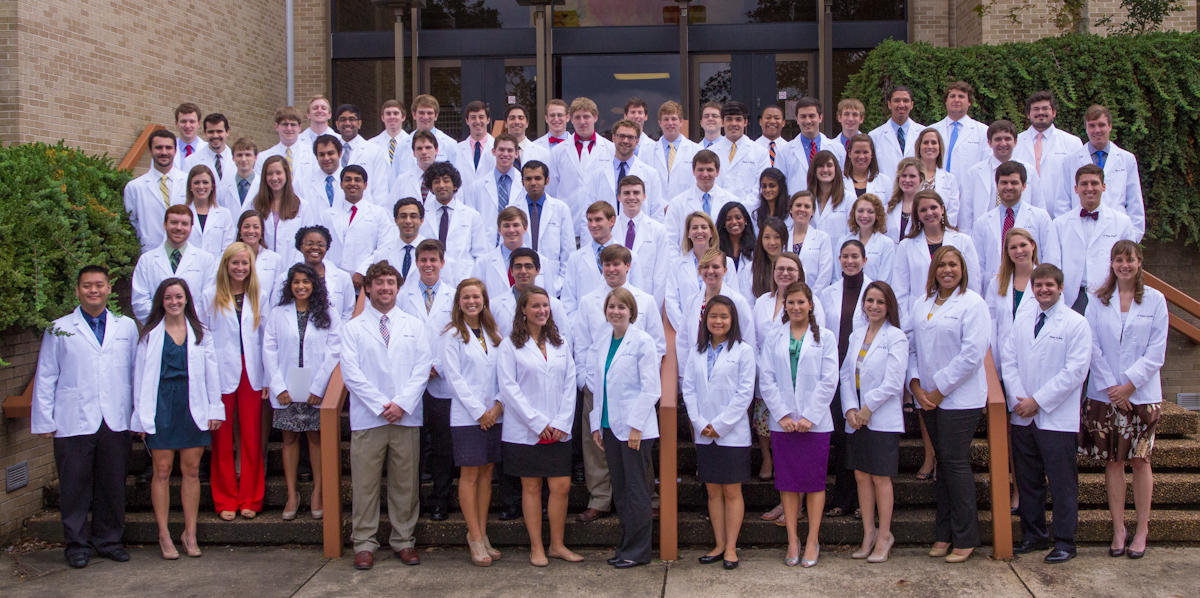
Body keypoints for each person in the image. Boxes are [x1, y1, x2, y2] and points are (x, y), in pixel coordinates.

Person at [33, 266, 138, 568]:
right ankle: (76, 545)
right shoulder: (59, 328)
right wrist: (44, 420)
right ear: (77, 290)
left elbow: (136, 372)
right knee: (74, 487)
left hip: (115, 418)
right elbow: (46, 375)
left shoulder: (126, 327)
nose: (94, 290)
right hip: (73, 418)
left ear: (109, 289)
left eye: (99, 285)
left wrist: (139, 416)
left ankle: (109, 541)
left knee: (112, 485)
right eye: (87, 285)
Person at [340, 261, 434, 571]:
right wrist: (382, 405)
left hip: (405, 417)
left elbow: (422, 368)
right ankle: (364, 543)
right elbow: (351, 373)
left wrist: (402, 404)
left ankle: (404, 540)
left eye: (390, 282)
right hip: (370, 418)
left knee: (405, 484)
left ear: (398, 287)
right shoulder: (353, 328)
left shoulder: (414, 325)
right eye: (379, 282)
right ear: (367, 288)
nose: (385, 288)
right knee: (365, 484)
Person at [1081, 240, 1168, 560]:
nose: (1124, 265)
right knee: (1113, 461)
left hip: (1142, 394)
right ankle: (1119, 528)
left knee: (1141, 460)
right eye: (1118, 260)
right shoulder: (1097, 300)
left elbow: (1156, 350)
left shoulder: (1156, 299)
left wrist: (1129, 386)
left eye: (1130, 260)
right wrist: (1113, 387)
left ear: (1140, 262)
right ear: (1112, 264)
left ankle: (1142, 529)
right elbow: (1091, 346)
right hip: (1106, 395)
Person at [1002, 263, 1091, 564]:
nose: (1043, 290)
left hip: (1056, 417)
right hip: (1023, 414)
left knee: (1062, 483)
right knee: (1028, 480)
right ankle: (1034, 535)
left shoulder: (1076, 323)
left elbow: (1075, 372)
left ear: (1061, 288)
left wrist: (1037, 401)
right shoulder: (1023, 319)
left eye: (1049, 285)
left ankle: (1065, 541)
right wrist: (1019, 399)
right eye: (1038, 285)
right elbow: (1009, 360)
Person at [908, 246, 990, 564]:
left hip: (959, 399)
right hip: (928, 397)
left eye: (953, 264)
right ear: (934, 270)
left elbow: (972, 354)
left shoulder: (973, 303)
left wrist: (940, 389)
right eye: (942, 264)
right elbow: (912, 347)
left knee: (955, 463)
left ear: (962, 269)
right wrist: (915, 384)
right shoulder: (922, 303)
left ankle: (966, 537)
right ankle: (943, 534)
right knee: (943, 464)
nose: (947, 270)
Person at [572, 246, 666, 524]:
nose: (611, 269)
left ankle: (647, 499)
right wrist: (586, 381)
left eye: (617, 264)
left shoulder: (645, 300)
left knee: (636, 449)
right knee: (596, 447)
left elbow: (658, 344)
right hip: (597, 386)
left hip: (633, 389)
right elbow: (582, 345)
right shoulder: (588, 301)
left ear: (628, 266)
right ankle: (600, 498)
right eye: (606, 264)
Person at [131, 278, 222, 560]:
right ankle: (164, 534)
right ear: (161, 301)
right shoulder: (149, 335)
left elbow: (212, 372)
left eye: (179, 297)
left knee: (192, 469)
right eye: (168, 297)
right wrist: (140, 417)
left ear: (186, 300)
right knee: (162, 470)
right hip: (161, 404)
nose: (174, 302)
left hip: (192, 404)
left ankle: (190, 532)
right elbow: (139, 377)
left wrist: (215, 408)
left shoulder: (200, 332)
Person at [497, 287, 585, 567]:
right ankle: (536, 547)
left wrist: (561, 421)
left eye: (545, 305)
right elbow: (508, 388)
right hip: (526, 431)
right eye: (535, 306)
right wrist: (536, 422)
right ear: (523, 310)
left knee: (561, 486)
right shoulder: (510, 345)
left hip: (558, 429)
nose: (542, 310)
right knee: (532, 487)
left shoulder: (560, 343)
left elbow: (570, 383)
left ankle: (557, 545)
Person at [759, 280, 839, 567]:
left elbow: (829, 379)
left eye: (801, 302)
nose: (795, 307)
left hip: (814, 425)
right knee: (788, 483)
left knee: (814, 483)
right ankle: (793, 539)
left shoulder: (825, 337)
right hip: (784, 425)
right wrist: (782, 414)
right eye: (790, 302)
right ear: (785, 305)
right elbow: (766, 378)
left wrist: (810, 416)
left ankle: (813, 540)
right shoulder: (773, 337)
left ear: (811, 305)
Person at [588, 287, 661, 569]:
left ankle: (638, 552)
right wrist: (596, 424)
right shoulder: (603, 340)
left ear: (632, 312)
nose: (615, 311)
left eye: (621, 307)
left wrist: (636, 426)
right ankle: (625, 547)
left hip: (634, 430)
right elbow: (599, 387)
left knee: (637, 491)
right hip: (609, 426)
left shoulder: (643, 341)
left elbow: (651, 389)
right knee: (620, 491)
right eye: (611, 306)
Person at [262, 263, 341, 521]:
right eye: (296, 281)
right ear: (290, 285)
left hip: (314, 388)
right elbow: (269, 350)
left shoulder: (328, 312)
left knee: (316, 439)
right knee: (289, 440)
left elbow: (334, 351)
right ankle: (291, 494)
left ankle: (318, 493)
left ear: (314, 284)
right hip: (286, 388)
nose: (301, 286)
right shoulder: (278, 313)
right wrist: (278, 387)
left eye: (306, 281)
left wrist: (319, 387)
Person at [681, 296, 755, 569]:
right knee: (713, 491)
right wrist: (700, 423)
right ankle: (719, 544)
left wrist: (721, 425)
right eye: (713, 316)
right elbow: (689, 390)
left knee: (732, 491)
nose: (718, 321)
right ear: (705, 320)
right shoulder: (696, 352)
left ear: (732, 320)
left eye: (724, 316)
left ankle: (732, 548)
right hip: (704, 432)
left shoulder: (744, 351)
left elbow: (744, 393)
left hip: (732, 434)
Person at [199, 243, 270, 520]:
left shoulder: (259, 295)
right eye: (235, 263)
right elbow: (202, 338)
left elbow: (267, 338)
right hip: (220, 371)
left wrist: (267, 377)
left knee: (252, 437)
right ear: (225, 265)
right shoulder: (209, 295)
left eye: (245, 263)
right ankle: (225, 499)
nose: (240, 268)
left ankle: (251, 498)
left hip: (252, 372)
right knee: (222, 438)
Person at [440, 278, 506, 566]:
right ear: (458, 302)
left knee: (487, 473)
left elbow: (505, 372)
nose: (471, 301)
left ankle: (482, 533)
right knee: (470, 475)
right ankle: (474, 537)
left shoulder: (494, 332)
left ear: (484, 300)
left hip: (495, 414)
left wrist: (498, 407)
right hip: (469, 417)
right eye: (466, 297)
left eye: (476, 297)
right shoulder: (452, 335)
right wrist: (480, 412)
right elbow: (454, 379)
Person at [842, 281, 907, 563]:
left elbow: (894, 381)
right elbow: (846, 374)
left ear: (889, 306)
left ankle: (884, 536)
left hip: (880, 418)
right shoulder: (856, 335)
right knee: (861, 476)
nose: (874, 306)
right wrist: (850, 408)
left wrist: (868, 408)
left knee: (881, 478)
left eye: (880, 301)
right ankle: (868, 533)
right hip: (857, 418)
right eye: (870, 300)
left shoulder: (896, 337)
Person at [396, 240, 457, 522]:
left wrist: (438, 366)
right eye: (423, 260)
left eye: (434, 260)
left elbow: (459, 335)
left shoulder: (454, 296)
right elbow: (398, 336)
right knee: (413, 446)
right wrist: (420, 367)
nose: (428, 264)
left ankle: (440, 500)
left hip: (443, 379)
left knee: (443, 445)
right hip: (411, 380)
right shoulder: (402, 296)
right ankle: (413, 500)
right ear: (416, 263)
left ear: (442, 263)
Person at [819, 240, 872, 519]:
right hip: (836, 372)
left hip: (864, 372)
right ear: (839, 259)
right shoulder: (828, 293)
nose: (850, 261)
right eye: (845, 256)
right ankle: (842, 498)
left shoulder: (875, 291)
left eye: (855, 256)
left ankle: (865, 501)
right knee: (841, 438)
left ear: (865, 260)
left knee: (863, 438)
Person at [1050, 164, 1138, 313]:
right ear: (1076, 188)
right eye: (1084, 184)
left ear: (1103, 187)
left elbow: (1130, 262)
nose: (1089, 188)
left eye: (1094, 183)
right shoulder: (1059, 224)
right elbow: (1053, 264)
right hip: (1071, 299)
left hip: (1109, 296)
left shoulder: (1122, 222)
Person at [1057, 105, 1145, 241]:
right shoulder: (1071, 161)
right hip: (1080, 231)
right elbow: (1062, 202)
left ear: (1110, 126)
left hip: (1117, 232)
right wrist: (1066, 235)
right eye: (1092, 126)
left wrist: (1132, 239)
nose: (1097, 130)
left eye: (1101, 125)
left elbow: (1135, 202)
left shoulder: (1126, 159)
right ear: (1086, 128)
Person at [893, 190, 981, 322]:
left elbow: (973, 284)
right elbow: (900, 289)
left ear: (942, 209)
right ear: (917, 214)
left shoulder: (963, 241)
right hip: (918, 318)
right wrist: (905, 324)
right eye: (923, 210)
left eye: (933, 207)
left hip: (956, 317)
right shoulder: (906, 246)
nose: (929, 213)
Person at [971, 161, 1058, 284]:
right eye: (1004, 182)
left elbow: (1051, 256)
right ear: (997, 185)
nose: (1009, 187)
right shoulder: (982, 222)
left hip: (1031, 286)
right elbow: (977, 266)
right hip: (995, 286)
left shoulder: (1040, 217)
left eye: (1014, 183)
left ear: (1024, 186)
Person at [676, 249, 756, 377]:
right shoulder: (691, 302)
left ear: (725, 270)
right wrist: (686, 376)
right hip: (697, 374)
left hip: (730, 375)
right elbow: (683, 342)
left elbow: (748, 341)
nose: (710, 271)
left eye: (716, 267)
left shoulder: (738, 301)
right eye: (705, 266)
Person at [131, 205, 217, 324]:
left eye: (184, 224)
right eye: (174, 223)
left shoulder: (206, 259)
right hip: (157, 327)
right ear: (165, 225)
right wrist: (166, 323)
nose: (179, 228)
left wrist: (185, 323)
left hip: (193, 327)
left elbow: (208, 300)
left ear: (191, 227)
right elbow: (140, 301)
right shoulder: (146, 260)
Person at [959, 120, 1046, 236]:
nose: (1003, 143)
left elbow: (1039, 206)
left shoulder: (1029, 171)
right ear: (989, 143)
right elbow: (966, 213)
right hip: (984, 235)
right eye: (998, 139)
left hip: (1022, 235)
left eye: (1007, 139)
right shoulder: (974, 173)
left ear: (1015, 142)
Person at [548, 97, 616, 237]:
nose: (582, 122)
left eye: (586, 116)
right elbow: (552, 191)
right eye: (577, 117)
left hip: (601, 229)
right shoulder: (558, 151)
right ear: (571, 119)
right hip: (569, 226)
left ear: (595, 117)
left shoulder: (610, 149)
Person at [664, 212, 736, 336]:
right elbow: (672, 301)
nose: (699, 231)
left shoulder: (727, 262)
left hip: (720, 330)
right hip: (687, 332)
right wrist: (686, 328)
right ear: (688, 234)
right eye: (694, 228)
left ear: (711, 232)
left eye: (704, 227)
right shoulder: (677, 265)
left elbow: (733, 297)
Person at [1014, 91, 1083, 219]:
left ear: (1054, 112)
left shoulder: (1072, 143)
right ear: (1028, 114)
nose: (1041, 112)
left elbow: (1079, 181)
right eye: (1036, 109)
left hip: (1062, 214)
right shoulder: (1015, 144)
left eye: (1045, 108)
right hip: (1022, 214)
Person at [320, 165, 398, 279]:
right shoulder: (327, 215)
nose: (352, 183)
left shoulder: (379, 213)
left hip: (366, 278)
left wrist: (362, 272)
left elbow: (385, 246)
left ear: (365, 185)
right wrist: (332, 272)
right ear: (341, 184)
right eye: (348, 180)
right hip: (333, 277)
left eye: (357, 180)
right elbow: (321, 247)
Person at [419, 162, 487, 287]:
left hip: (463, 281)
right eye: (436, 182)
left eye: (446, 181)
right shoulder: (422, 215)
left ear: (455, 185)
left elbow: (480, 255)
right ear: (431, 188)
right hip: (430, 280)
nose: (441, 185)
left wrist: (473, 283)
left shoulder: (471, 215)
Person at [247, 155, 318, 266]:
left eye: (278, 173)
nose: (274, 178)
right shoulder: (254, 205)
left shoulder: (302, 206)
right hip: (260, 267)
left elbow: (308, 240)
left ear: (286, 175)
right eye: (269, 174)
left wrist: (297, 266)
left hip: (293, 267)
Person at [585, 119, 664, 219]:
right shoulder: (598, 174)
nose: (625, 141)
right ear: (613, 138)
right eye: (621, 136)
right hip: (607, 228)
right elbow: (588, 210)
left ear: (637, 141)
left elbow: (657, 214)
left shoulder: (650, 174)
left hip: (639, 228)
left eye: (630, 137)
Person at [517, 160, 573, 294]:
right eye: (528, 179)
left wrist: (560, 283)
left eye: (538, 178)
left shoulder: (561, 209)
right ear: (522, 182)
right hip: (521, 281)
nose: (533, 183)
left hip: (554, 284)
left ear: (547, 181)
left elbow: (568, 251)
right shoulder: (513, 209)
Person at [125, 129, 186, 252]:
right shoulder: (135, 187)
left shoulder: (188, 182)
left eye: (168, 148)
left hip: (184, 249)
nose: (164, 152)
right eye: (158, 148)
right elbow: (132, 224)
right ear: (150, 151)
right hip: (150, 250)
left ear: (175, 151)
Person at [614, 175, 671, 306]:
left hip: (646, 299)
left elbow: (661, 275)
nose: (631, 197)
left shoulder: (658, 230)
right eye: (626, 193)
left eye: (636, 193)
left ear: (644, 197)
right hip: (615, 300)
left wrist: (654, 307)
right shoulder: (610, 228)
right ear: (619, 197)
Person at [665, 150, 740, 249]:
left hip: (722, 256)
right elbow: (670, 240)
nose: (705, 174)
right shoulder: (677, 203)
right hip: (688, 256)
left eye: (709, 170)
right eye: (700, 170)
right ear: (693, 171)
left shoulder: (731, 201)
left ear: (717, 172)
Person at [281, 226, 357, 323]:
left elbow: (349, 310)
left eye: (320, 244)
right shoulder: (285, 277)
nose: (315, 247)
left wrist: (338, 330)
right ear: (301, 247)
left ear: (326, 248)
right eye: (309, 244)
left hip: (334, 330)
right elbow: (277, 309)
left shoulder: (343, 277)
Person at [471, 207, 552, 296]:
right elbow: (475, 296)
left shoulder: (542, 261)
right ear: (499, 230)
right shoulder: (483, 263)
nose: (511, 230)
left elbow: (550, 298)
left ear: (525, 228)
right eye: (506, 226)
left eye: (516, 225)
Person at [357, 197, 429, 293]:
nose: (408, 221)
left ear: (421, 220)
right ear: (395, 220)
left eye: (413, 216)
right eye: (403, 216)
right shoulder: (382, 254)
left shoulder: (434, 251)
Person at [563, 201, 620, 319]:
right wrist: (577, 325)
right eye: (590, 220)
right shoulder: (575, 258)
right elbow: (568, 301)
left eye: (598, 220)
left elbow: (636, 297)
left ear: (612, 221)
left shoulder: (629, 256)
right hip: (584, 324)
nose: (593, 225)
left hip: (619, 324)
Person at [466, 133, 524, 245]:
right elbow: (470, 222)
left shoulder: (524, 185)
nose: (505, 154)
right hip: (485, 247)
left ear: (516, 153)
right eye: (501, 149)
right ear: (493, 151)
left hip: (517, 246)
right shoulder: (476, 187)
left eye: (510, 150)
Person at [930, 82, 991, 184]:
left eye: (961, 96)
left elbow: (987, 165)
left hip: (970, 190)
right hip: (937, 189)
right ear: (946, 101)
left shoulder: (983, 132)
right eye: (952, 96)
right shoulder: (931, 131)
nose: (956, 100)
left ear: (969, 102)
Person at [779, 97, 845, 190]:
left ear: (820, 118)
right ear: (797, 119)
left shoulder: (838, 149)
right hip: (796, 199)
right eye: (803, 117)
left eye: (812, 116)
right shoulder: (784, 152)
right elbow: (780, 185)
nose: (807, 121)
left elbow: (844, 181)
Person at [332, 104, 390, 207]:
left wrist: (377, 213)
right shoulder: (330, 152)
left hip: (365, 210)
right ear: (337, 124)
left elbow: (379, 190)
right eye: (343, 119)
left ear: (359, 123)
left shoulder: (374, 151)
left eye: (352, 119)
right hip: (336, 209)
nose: (347, 123)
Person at [712, 101, 770, 200]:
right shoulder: (711, 152)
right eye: (729, 119)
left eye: (738, 119)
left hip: (749, 208)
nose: (734, 124)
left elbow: (761, 186)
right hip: (718, 207)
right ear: (722, 122)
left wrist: (743, 207)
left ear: (745, 122)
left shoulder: (761, 152)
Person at [649, 100, 701, 204]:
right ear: (660, 122)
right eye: (666, 119)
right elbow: (645, 184)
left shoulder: (696, 150)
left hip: (686, 207)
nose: (670, 123)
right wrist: (664, 205)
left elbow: (699, 184)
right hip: (657, 209)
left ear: (681, 122)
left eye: (674, 119)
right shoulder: (648, 151)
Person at [868, 86, 924, 178]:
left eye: (906, 101)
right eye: (897, 101)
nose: (901, 105)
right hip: (887, 187)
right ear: (889, 104)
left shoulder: (922, 133)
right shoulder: (874, 136)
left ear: (912, 105)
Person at [255, 106, 316, 189]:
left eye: (293, 124)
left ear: (300, 127)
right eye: (285, 124)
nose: (289, 128)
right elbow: (259, 186)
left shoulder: (313, 154)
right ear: (276, 126)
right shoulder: (263, 157)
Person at [785, 191, 834, 294]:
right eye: (798, 205)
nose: (802, 209)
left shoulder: (822, 238)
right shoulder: (783, 237)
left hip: (813, 296)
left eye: (807, 206)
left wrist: (811, 297)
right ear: (790, 209)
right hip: (785, 295)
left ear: (813, 212)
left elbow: (825, 274)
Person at [840, 194, 894, 284]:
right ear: (854, 213)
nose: (865, 215)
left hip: (875, 292)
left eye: (870, 212)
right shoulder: (843, 241)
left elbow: (884, 279)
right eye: (860, 211)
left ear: (878, 215)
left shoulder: (886, 244)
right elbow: (838, 276)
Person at [913, 128, 962, 227]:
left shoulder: (950, 179)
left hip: (942, 232)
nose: (930, 146)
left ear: (940, 147)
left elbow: (952, 213)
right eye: (925, 142)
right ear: (919, 147)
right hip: (914, 230)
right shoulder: (909, 177)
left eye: (934, 142)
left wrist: (942, 232)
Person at [400, 94, 462, 172]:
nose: (425, 117)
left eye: (429, 113)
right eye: (421, 113)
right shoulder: (402, 146)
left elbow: (458, 176)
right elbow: (394, 178)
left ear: (436, 116)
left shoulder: (450, 144)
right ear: (414, 115)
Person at [183, 113, 235, 204]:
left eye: (219, 131)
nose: (215, 136)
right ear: (205, 133)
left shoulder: (238, 161)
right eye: (211, 132)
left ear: (227, 132)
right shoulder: (190, 161)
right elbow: (185, 194)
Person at [184, 164, 236, 255]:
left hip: (217, 264)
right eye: (196, 182)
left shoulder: (224, 214)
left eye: (205, 182)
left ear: (212, 186)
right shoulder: (181, 213)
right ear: (190, 186)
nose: (201, 186)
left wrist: (215, 265)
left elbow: (228, 249)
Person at [236, 210, 284, 304]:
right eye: (246, 226)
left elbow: (277, 295)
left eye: (256, 227)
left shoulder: (275, 259)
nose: (251, 231)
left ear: (262, 231)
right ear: (240, 231)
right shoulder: (227, 256)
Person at [807, 150, 856, 241]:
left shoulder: (849, 199)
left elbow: (852, 232)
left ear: (836, 169)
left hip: (840, 249)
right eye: (821, 166)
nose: (825, 170)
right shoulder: (806, 199)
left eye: (829, 165)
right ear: (814, 170)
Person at [716, 201, 756, 301]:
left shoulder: (755, 250)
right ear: (723, 223)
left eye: (738, 217)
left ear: (745, 220)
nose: (734, 222)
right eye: (728, 219)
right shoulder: (716, 251)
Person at [369, 99, 412, 189]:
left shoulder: (412, 143)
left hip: (406, 191)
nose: (392, 117)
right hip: (380, 193)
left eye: (396, 113)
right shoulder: (370, 144)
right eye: (388, 114)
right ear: (382, 118)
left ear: (403, 117)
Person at [393, 130, 443, 204]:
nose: (424, 152)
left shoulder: (447, 180)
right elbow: (390, 209)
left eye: (428, 147)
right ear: (413, 153)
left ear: (436, 150)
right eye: (419, 148)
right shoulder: (402, 181)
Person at [884, 157, 926, 243]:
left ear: (921, 179)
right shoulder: (888, 209)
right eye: (904, 176)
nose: (907, 180)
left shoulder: (926, 207)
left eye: (912, 176)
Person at [457, 101, 496, 188]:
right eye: (473, 117)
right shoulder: (457, 149)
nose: (477, 121)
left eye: (481, 117)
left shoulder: (498, 148)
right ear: (467, 121)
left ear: (488, 120)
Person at [842, 134, 892, 201]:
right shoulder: (839, 181)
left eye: (865, 152)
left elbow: (890, 206)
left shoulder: (884, 181)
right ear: (849, 153)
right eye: (857, 152)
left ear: (872, 154)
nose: (861, 156)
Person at [750, 217, 789, 299]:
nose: (772, 242)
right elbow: (748, 300)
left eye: (777, 237)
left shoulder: (795, 267)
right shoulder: (750, 268)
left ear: (784, 239)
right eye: (767, 237)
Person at [303, 134, 345, 208]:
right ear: (316, 157)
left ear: (340, 153)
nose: (326, 158)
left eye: (330, 153)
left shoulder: (354, 181)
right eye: (322, 154)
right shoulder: (303, 184)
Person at [750, 168, 790, 232]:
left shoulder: (790, 213)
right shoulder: (756, 215)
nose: (767, 190)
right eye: (764, 186)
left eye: (772, 186)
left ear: (780, 187)